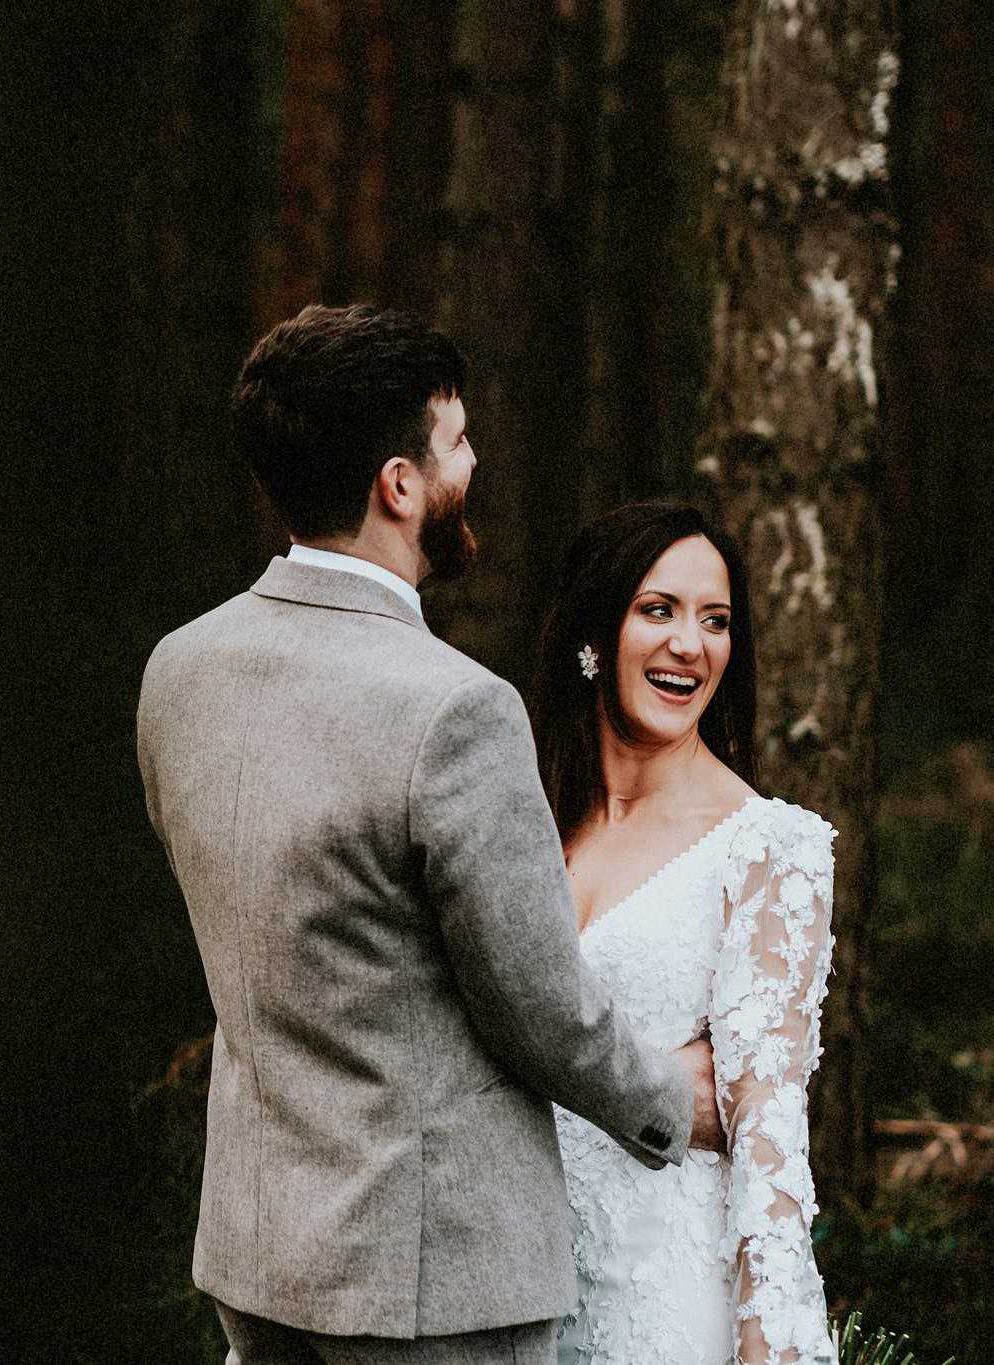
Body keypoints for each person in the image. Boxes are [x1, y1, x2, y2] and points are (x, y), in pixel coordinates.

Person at [136, 305, 724, 1365]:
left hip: (258, 1257)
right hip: (430, 1284)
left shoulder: (180, 671)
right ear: (399, 486)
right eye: (456, 440)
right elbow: (536, 1003)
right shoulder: (457, 710)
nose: (476, 461)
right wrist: (673, 1104)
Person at [529, 501, 838, 1364]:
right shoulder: (526, 827)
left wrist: (766, 1345)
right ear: (595, 631)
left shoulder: (766, 845)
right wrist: (661, 1078)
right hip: (519, 1305)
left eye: (715, 621)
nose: (688, 644)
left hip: (665, 1307)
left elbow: (770, 1142)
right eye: (656, 610)